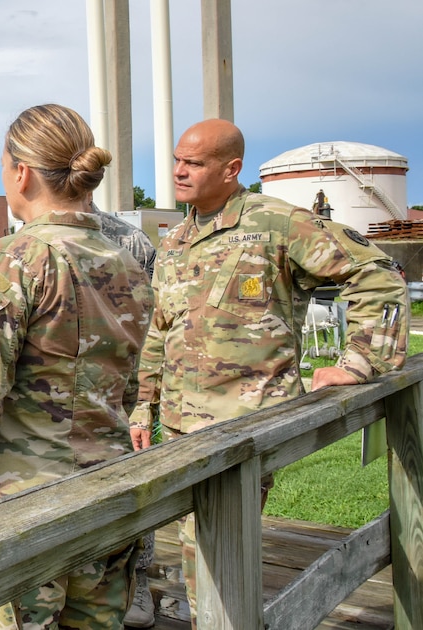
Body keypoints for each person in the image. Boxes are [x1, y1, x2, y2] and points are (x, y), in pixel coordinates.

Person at [130, 118, 408, 628]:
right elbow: (159, 328)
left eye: (194, 162)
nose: (178, 171)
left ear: (231, 168)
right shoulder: (175, 241)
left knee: (214, 549)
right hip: (177, 425)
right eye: (177, 160)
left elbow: (377, 275)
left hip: (246, 424)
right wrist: (141, 405)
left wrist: (359, 362)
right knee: (197, 545)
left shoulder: (277, 224)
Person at [0, 103, 154, 629]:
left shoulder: (12, 260)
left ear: (21, 172)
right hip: (106, 497)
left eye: (4, 166)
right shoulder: (127, 265)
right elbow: (129, 387)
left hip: (19, 514)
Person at [89, 200, 157, 628]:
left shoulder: (129, 241)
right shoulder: (24, 236)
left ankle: (139, 578)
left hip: (117, 392)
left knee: (131, 481)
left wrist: (144, 406)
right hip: (53, 398)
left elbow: (152, 329)